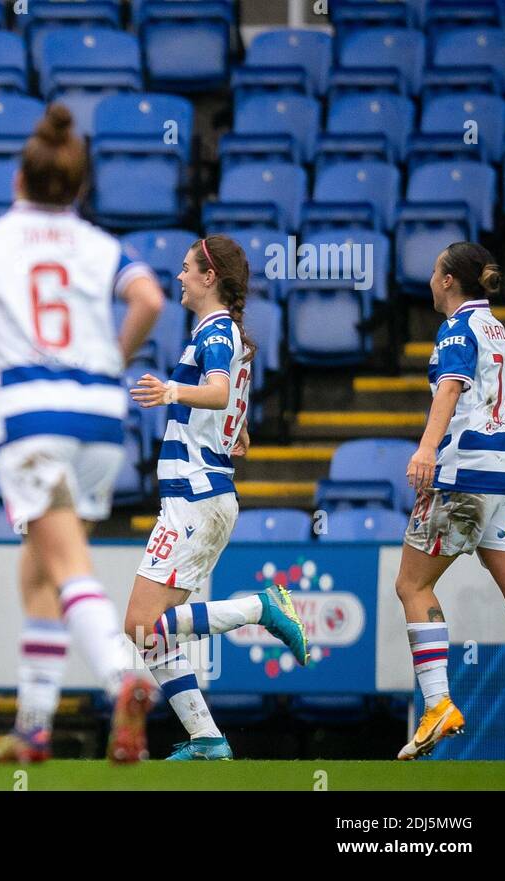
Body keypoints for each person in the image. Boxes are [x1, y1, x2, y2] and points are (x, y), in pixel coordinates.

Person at [0, 103, 166, 763]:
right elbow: (149, 298)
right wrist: (115, 358)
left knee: (66, 565)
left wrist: (2, 351)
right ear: (78, 186)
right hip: (100, 415)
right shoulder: (102, 244)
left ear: (20, 178)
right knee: (39, 566)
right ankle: (34, 727)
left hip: (32, 413)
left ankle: (123, 678)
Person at [126, 234, 308, 761]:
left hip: (197, 498)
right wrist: (235, 429)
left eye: (186, 269)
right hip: (198, 496)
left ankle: (263, 605)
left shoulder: (217, 332)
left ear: (210, 278)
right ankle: (206, 737)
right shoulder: (219, 332)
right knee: (151, 633)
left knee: (141, 626)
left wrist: (172, 391)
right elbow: (234, 412)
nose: (178, 277)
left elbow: (221, 390)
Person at [395, 242, 505, 759]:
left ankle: (439, 704)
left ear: (449, 281)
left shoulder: (458, 328)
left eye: (433, 271)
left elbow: (449, 388)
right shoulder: (499, 331)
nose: (428, 279)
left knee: (411, 583)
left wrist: (427, 449)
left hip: (465, 475)